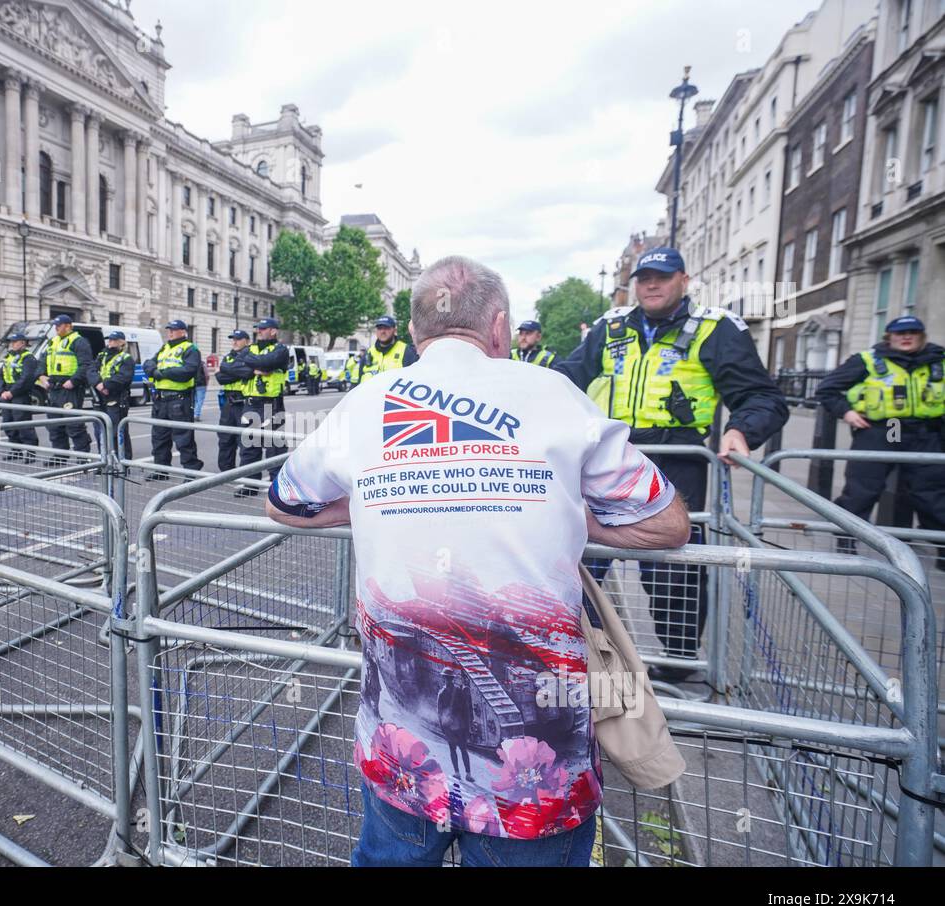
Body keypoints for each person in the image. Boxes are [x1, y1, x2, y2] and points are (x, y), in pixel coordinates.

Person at [265, 254, 690, 867]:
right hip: (536, 765)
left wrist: (374, 499)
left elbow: (284, 503)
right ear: (499, 328)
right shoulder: (553, 395)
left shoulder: (365, 402)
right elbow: (667, 522)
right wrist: (567, 511)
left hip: (401, 751)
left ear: (415, 333)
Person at [556, 246, 788, 680]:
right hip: (610, 455)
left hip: (678, 457)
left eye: (662, 277)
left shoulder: (715, 329)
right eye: (644, 278)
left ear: (684, 280)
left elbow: (761, 396)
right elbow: (566, 378)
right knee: (583, 555)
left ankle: (679, 661)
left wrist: (741, 429)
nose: (651, 284)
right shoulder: (610, 328)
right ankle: (576, 650)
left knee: (671, 564)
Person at [815, 315, 945, 568]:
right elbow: (827, 390)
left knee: (931, 492)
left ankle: (941, 547)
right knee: (865, 486)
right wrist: (847, 412)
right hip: (887, 428)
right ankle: (846, 540)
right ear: (889, 337)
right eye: (900, 333)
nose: (906, 337)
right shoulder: (868, 361)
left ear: (922, 336)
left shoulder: (938, 361)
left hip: (927, 431)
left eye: (912, 332)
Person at [142, 318, 203, 478]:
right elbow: (148, 363)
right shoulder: (165, 348)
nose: (169, 332)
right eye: (168, 330)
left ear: (183, 332)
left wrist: (162, 373)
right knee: (159, 436)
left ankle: (190, 471)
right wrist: (154, 371)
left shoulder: (190, 348)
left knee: (183, 438)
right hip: (160, 400)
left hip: (179, 400)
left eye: (173, 330)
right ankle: (161, 469)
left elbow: (187, 371)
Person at [236, 318, 289, 491]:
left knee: (275, 447)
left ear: (273, 331)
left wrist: (256, 364)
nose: (259, 331)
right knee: (249, 445)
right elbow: (236, 369)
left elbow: (267, 362)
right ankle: (250, 485)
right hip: (251, 404)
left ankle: (277, 486)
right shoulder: (249, 349)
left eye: (263, 329)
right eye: (258, 328)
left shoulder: (281, 350)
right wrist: (257, 368)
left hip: (272, 405)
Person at [39, 314, 94, 463]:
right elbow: (42, 362)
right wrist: (42, 376)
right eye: (55, 325)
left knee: (73, 424)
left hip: (70, 389)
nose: (56, 328)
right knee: (54, 425)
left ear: (68, 326)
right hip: (54, 388)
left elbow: (86, 365)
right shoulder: (53, 342)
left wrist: (73, 381)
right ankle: (60, 456)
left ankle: (83, 457)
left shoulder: (79, 341)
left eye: (59, 325)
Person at [0, 332, 41, 461]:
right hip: (7, 392)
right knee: (8, 423)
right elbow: (0, 375)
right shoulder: (8, 357)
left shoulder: (28, 358)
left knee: (23, 424)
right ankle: (16, 450)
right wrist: (1, 391)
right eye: (11, 342)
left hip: (20, 394)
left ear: (23, 343)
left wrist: (12, 392)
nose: (12, 344)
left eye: (15, 342)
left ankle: (31, 453)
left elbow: (26, 379)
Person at [91, 330, 136, 459]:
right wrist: (99, 384)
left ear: (121, 342)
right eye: (109, 339)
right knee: (100, 431)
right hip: (100, 398)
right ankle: (104, 460)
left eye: (113, 340)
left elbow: (124, 378)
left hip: (116, 398)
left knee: (118, 432)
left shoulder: (126, 358)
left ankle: (122, 462)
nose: (109, 342)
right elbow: (91, 371)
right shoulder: (102, 355)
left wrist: (106, 386)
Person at [215, 330, 254, 472]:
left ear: (247, 341)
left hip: (244, 402)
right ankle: (226, 471)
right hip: (228, 402)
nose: (234, 342)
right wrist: (236, 372)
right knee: (225, 438)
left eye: (238, 339)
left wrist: (229, 371)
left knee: (245, 441)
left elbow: (247, 373)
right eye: (233, 339)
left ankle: (245, 473)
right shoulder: (229, 357)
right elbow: (220, 377)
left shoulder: (251, 355)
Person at [358, 316, 419, 383]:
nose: (383, 331)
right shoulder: (369, 353)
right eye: (379, 328)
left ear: (394, 330)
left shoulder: (407, 351)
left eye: (386, 328)